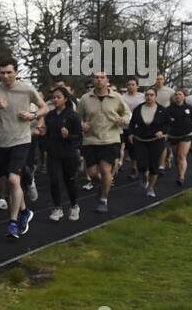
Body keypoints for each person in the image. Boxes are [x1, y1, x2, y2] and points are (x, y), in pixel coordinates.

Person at [0, 58, 46, 241]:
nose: (5, 76)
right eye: (2, 73)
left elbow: (44, 107)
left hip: (21, 140)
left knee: (13, 180)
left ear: (16, 72)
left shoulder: (26, 89)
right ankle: (24, 211)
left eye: (9, 72)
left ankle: (12, 223)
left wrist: (32, 115)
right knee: (8, 181)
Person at [78, 71, 131, 213]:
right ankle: (101, 184)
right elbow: (77, 117)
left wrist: (123, 120)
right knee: (93, 173)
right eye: (96, 77)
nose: (99, 80)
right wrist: (82, 124)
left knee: (105, 169)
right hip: (90, 139)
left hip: (110, 139)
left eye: (102, 77)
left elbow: (127, 113)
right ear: (93, 81)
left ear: (107, 80)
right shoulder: (85, 98)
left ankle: (103, 199)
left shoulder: (116, 97)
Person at [42, 87, 83, 221]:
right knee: (54, 180)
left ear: (65, 99)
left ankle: (74, 205)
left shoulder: (73, 116)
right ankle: (57, 208)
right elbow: (46, 134)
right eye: (53, 97)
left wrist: (68, 136)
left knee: (69, 181)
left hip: (69, 154)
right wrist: (43, 135)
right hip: (53, 153)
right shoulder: (50, 115)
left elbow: (79, 137)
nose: (55, 100)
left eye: (58, 97)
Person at [127, 86, 171, 198]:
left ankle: (151, 188)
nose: (149, 97)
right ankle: (143, 175)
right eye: (147, 95)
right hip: (141, 139)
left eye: (151, 95)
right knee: (141, 163)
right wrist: (131, 134)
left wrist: (162, 131)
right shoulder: (138, 109)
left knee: (153, 165)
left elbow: (168, 124)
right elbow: (132, 123)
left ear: (155, 96)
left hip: (156, 140)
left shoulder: (162, 110)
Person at [165, 88, 192, 185]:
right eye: (176, 95)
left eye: (180, 94)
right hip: (173, 136)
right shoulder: (169, 109)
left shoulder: (189, 108)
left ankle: (181, 177)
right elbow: (165, 121)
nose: (178, 96)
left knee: (181, 155)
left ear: (184, 96)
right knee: (176, 157)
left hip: (186, 134)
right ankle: (179, 172)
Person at [119, 78, 146, 177]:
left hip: (140, 126)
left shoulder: (143, 97)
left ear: (137, 86)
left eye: (133, 84)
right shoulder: (122, 97)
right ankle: (133, 167)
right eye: (129, 84)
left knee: (138, 148)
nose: (130, 86)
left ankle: (139, 167)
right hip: (126, 126)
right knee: (129, 148)